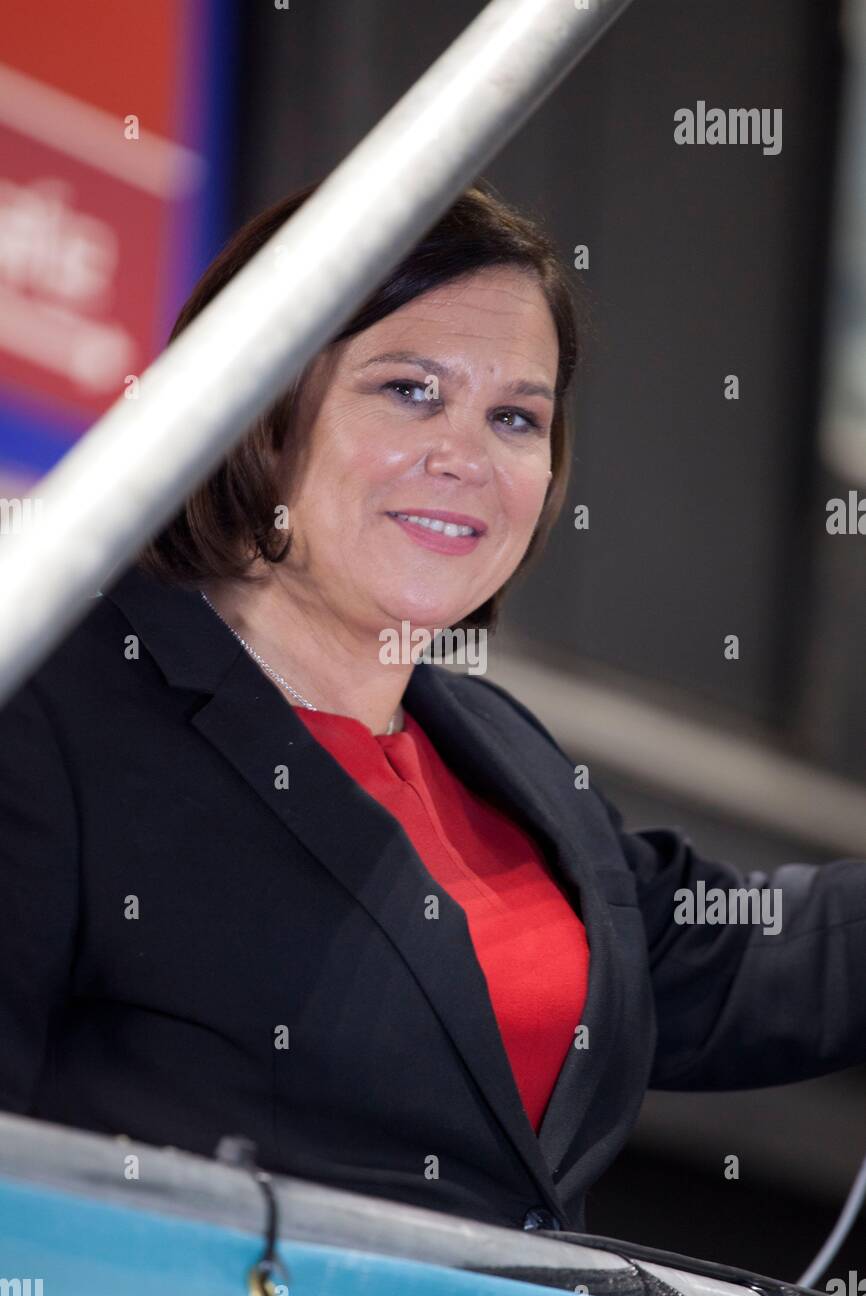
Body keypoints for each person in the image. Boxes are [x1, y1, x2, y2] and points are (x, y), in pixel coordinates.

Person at [1, 179, 864, 1236]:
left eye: (515, 417)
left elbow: (741, 956)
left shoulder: (507, 758)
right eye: (409, 390)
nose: (465, 456)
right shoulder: (54, 699)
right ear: (255, 410)